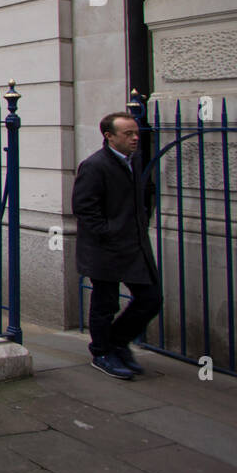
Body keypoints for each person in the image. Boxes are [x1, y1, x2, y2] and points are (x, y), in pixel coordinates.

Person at [72, 111, 161, 380]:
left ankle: (117, 342)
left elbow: (141, 198)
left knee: (151, 299)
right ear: (109, 136)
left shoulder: (135, 162)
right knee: (105, 304)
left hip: (134, 246)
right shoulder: (95, 165)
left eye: (136, 133)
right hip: (105, 249)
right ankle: (102, 352)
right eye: (128, 134)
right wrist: (109, 233)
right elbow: (84, 209)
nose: (135, 138)